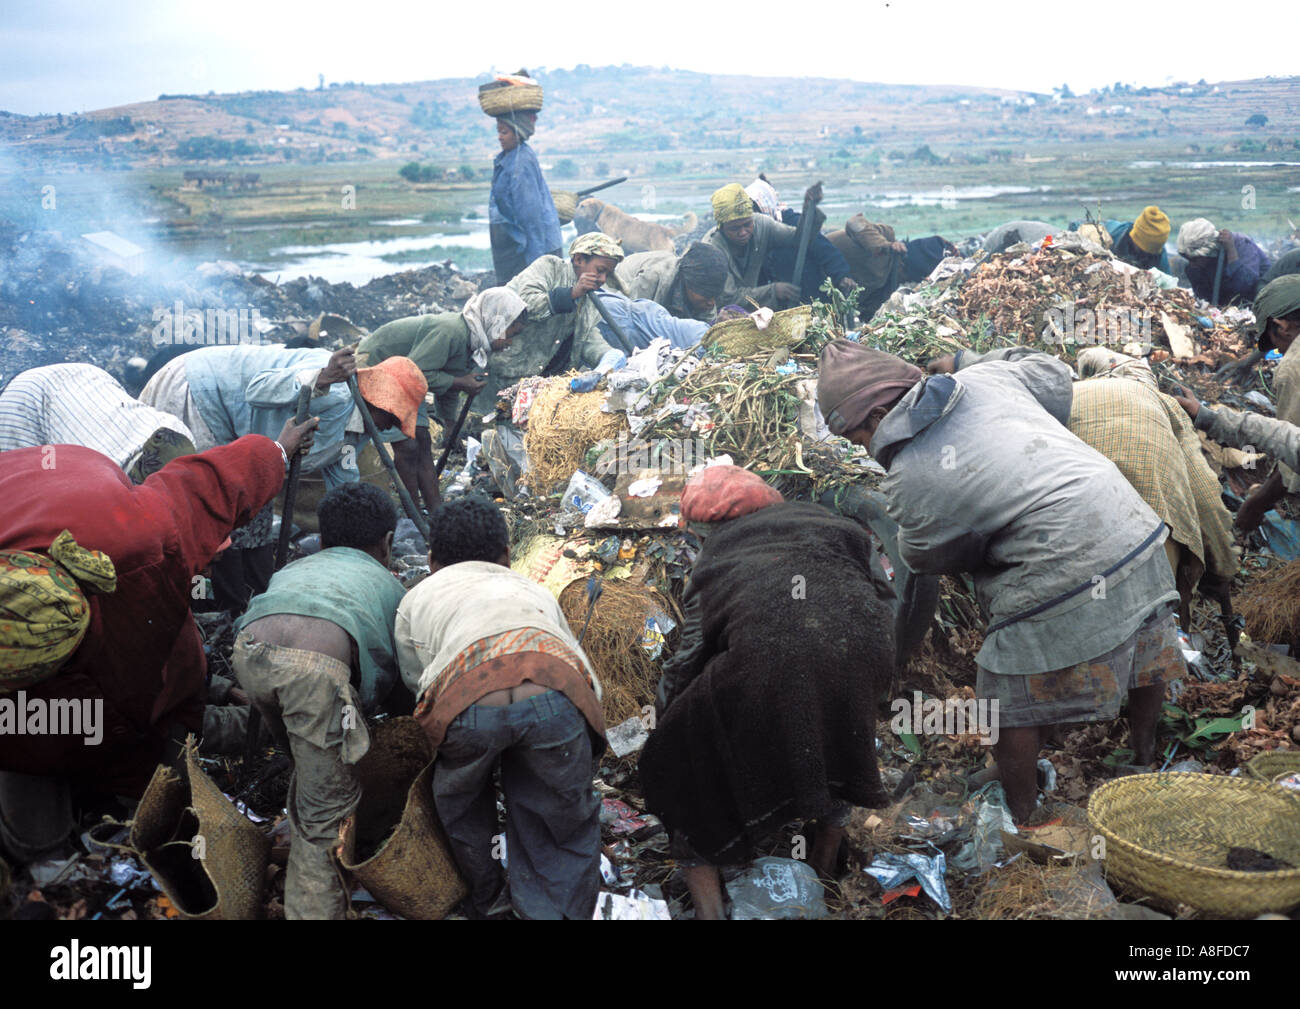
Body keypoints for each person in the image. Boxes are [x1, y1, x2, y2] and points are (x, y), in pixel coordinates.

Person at [817, 340, 1185, 823]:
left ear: (881, 412)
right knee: (1146, 639)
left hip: (1067, 561)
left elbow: (927, 556)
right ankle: (1142, 757)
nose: (864, 450)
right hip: (1134, 526)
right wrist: (969, 363)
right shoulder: (986, 380)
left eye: (858, 439)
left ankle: (1024, 813)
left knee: (1003, 692)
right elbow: (1053, 375)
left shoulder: (910, 474)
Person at [0, 415, 316, 864]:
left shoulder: (139, 541)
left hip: (76, 490)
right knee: (30, 749)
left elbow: (214, 484)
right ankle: (46, 857)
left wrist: (278, 451)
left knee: (141, 713)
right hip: (39, 486)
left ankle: (136, 809)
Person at [639, 465, 894, 920]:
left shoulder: (716, 561)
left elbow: (688, 658)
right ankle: (822, 862)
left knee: (674, 765)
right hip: (864, 655)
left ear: (710, 530)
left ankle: (709, 909)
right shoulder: (833, 527)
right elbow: (880, 596)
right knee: (837, 738)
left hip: (777, 665)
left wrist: (665, 721)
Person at [395, 496, 604, 920]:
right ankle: (552, 911)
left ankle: (488, 901)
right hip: (553, 691)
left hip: (466, 698)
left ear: (432, 560)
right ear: (507, 556)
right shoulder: (531, 588)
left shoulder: (417, 597)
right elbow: (577, 664)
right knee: (558, 817)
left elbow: (418, 687)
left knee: (461, 805)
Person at [139, 343, 426, 611]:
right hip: (200, 394)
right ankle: (204, 605)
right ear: (379, 405)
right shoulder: (334, 390)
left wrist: (352, 545)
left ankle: (253, 595)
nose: (393, 427)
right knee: (212, 507)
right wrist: (322, 378)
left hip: (255, 443)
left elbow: (343, 481)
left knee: (255, 508)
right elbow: (257, 389)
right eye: (394, 418)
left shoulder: (357, 432)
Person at [232, 482, 407, 919]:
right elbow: (400, 688)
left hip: (249, 651)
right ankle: (312, 911)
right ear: (387, 544)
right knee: (324, 815)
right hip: (313, 671)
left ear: (323, 540)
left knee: (307, 753)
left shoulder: (297, 566)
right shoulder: (390, 586)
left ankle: (306, 796)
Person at [1069, 348, 1236, 626]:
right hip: (1147, 546)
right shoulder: (1162, 402)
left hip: (1069, 543)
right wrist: (1222, 567)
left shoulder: (1065, 399)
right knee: (1143, 645)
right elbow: (1205, 497)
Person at [358, 289, 528, 512]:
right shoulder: (451, 332)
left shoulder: (473, 342)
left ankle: (434, 511)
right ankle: (413, 511)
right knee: (408, 446)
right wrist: (461, 383)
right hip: (377, 367)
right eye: (509, 333)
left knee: (423, 443)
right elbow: (416, 373)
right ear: (495, 322)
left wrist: (449, 423)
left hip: (406, 376)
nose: (510, 343)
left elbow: (446, 381)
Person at [0, 363, 195, 483]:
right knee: (21, 487)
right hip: (26, 400)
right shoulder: (108, 481)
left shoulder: (179, 433)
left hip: (86, 376)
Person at [1209, 275, 1300, 530]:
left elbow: (1294, 451)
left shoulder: (1293, 367)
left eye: (1273, 344)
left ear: (1283, 326)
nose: (1277, 352)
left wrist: (1256, 504)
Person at [495, 233, 628, 393]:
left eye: (607, 274)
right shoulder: (549, 267)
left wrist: (609, 357)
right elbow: (525, 304)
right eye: (600, 270)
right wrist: (571, 293)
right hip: (505, 372)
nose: (602, 279)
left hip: (540, 386)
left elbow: (587, 339)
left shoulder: (589, 303)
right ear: (578, 259)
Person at [488, 83, 563, 284]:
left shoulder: (520, 164)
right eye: (499, 131)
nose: (499, 137)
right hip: (515, 246)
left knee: (527, 300)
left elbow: (531, 217)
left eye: (504, 132)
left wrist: (537, 265)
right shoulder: (508, 158)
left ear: (518, 132)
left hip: (528, 249)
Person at [745, 177, 856, 303]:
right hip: (783, 301)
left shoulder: (792, 221)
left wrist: (841, 275)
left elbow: (824, 249)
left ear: (765, 204)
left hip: (812, 291)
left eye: (756, 209)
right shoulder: (754, 234)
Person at [704, 183, 801, 309]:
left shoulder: (760, 224)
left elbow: (797, 238)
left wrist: (809, 213)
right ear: (721, 227)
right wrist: (773, 290)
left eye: (747, 224)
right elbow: (728, 299)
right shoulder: (712, 249)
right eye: (735, 228)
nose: (743, 232)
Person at [614, 242, 728, 321]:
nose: (712, 303)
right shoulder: (653, 277)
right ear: (688, 282)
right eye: (707, 296)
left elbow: (704, 326)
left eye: (715, 296)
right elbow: (631, 317)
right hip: (618, 296)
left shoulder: (704, 296)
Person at [827, 213, 908, 321]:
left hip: (827, 290)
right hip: (815, 259)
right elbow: (854, 222)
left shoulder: (886, 284)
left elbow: (868, 312)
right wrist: (883, 246)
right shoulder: (887, 235)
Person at [1177, 218, 1272, 306]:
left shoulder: (1241, 243)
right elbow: (1202, 294)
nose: (1192, 264)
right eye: (1189, 259)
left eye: (1195, 259)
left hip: (1255, 300)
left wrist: (1231, 251)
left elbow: (1245, 285)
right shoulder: (1200, 263)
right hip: (1224, 304)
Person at [1104, 206, 1172, 272]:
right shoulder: (1113, 237)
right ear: (1135, 240)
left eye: (1151, 252)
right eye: (1144, 250)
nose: (1147, 254)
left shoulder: (1159, 255)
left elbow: (1167, 276)